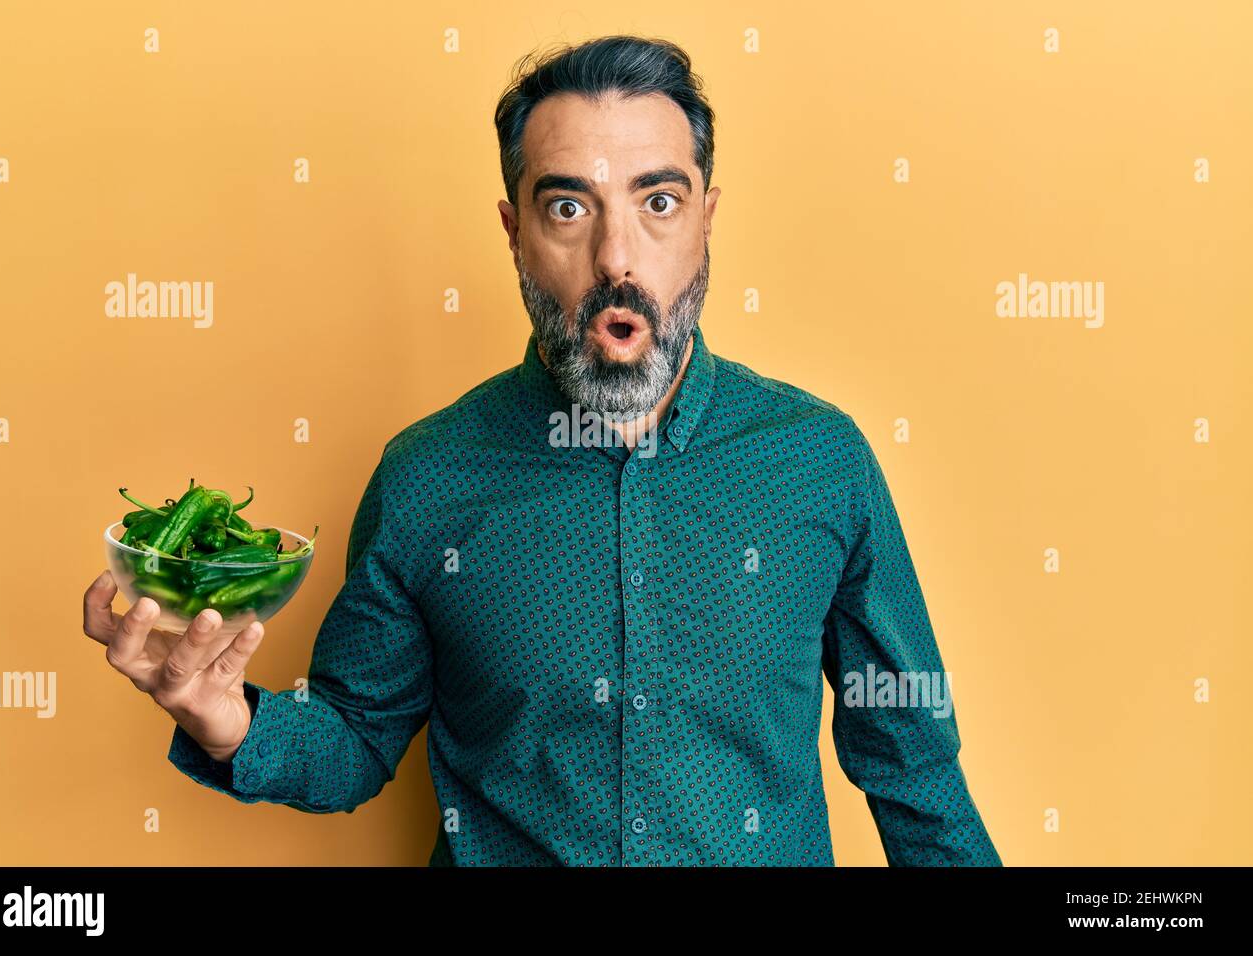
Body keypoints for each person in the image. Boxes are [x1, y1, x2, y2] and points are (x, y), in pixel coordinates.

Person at [83, 34, 1001, 867]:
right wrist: (228, 720)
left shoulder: (819, 462)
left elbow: (912, 768)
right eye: (569, 206)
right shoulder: (426, 479)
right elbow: (357, 742)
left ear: (706, 218)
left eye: (659, 201)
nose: (617, 257)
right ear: (514, 230)